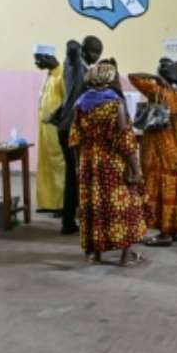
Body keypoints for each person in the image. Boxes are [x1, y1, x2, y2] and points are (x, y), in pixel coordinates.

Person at [68, 61, 148, 267]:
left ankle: (96, 254)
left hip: (88, 163)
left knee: (94, 205)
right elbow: (125, 139)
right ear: (108, 80)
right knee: (123, 206)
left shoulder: (80, 104)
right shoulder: (114, 104)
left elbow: (75, 139)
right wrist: (135, 168)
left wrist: (79, 166)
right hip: (112, 163)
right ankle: (125, 256)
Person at [129, 62, 177, 246]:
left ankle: (164, 234)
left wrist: (154, 77)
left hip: (159, 150)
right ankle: (173, 230)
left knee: (160, 190)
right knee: (174, 188)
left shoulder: (157, 92)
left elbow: (133, 76)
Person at [57, 36, 103, 235]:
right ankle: (68, 222)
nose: (96, 57)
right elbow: (71, 46)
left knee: (76, 173)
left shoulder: (84, 68)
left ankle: (73, 218)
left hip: (74, 126)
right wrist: (77, 48)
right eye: (94, 52)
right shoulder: (75, 65)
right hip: (70, 126)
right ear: (85, 50)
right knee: (73, 174)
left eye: (98, 54)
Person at [33, 44, 66, 214]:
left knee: (58, 163)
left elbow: (66, 102)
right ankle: (49, 202)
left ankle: (62, 204)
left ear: (48, 57)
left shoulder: (62, 74)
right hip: (44, 127)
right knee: (45, 163)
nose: (36, 63)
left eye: (38, 59)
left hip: (55, 127)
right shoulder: (49, 75)